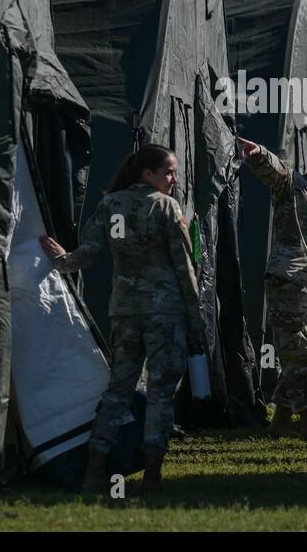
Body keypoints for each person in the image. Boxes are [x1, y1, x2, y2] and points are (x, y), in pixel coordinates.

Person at [39, 144, 204, 494]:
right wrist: (196, 319)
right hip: (164, 313)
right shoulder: (165, 207)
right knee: (160, 392)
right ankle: (153, 473)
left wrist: (61, 259)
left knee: (118, 390)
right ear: (148, 173)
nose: (173, 179)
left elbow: (89, 254)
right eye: (169, 172)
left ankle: (96, 467)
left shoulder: (110, 204)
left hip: (125, 311)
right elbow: (184, 268)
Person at [238, 135, 307, 442]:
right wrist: (259, 152)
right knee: (300, 352)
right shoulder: (295, 186)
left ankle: (282, 420)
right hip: (290, 279)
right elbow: (277, 171)